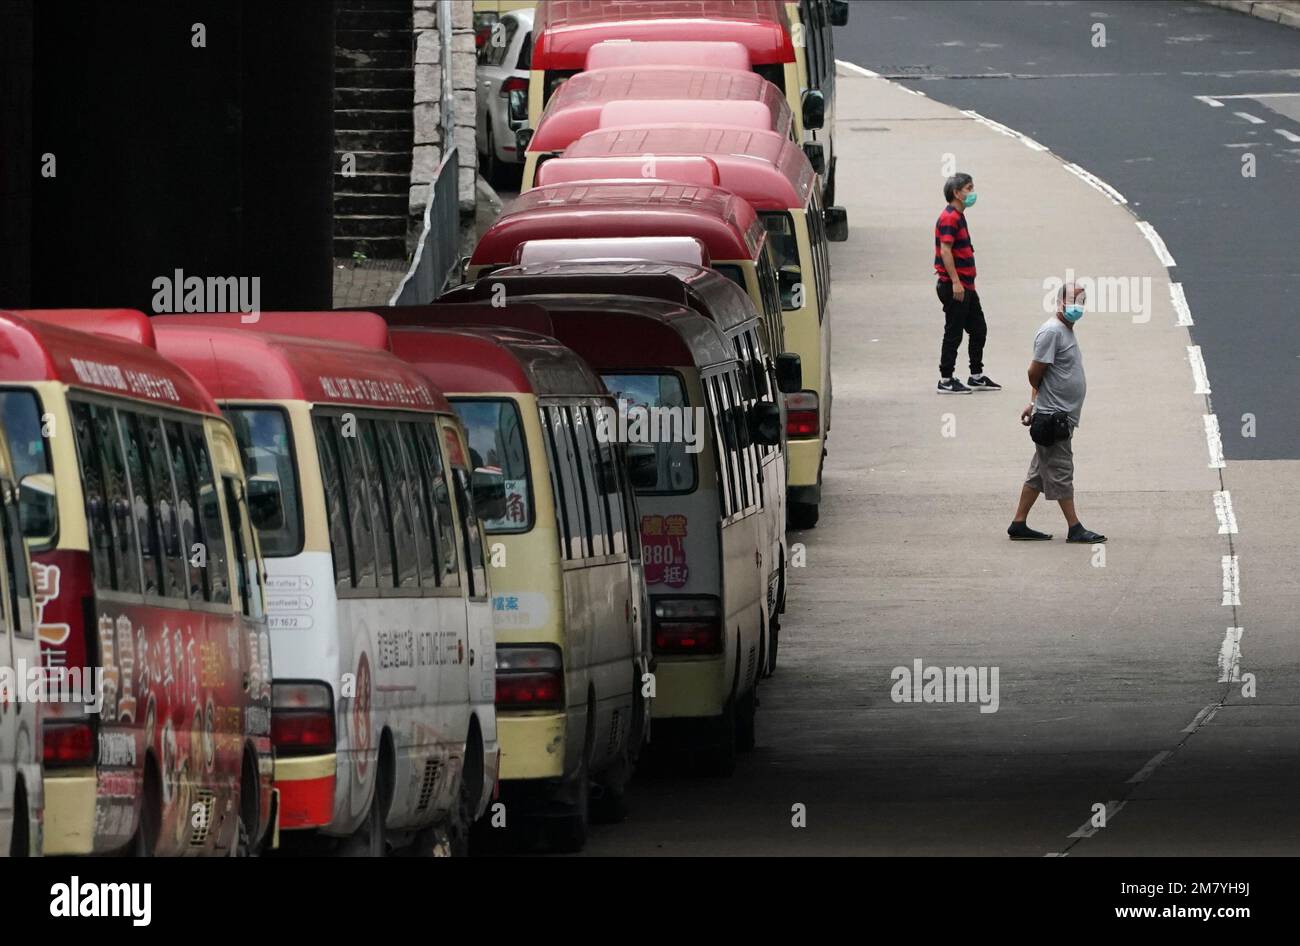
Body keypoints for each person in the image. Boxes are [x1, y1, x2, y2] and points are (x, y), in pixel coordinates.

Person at [1008, 282, 1106, 543]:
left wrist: (1034, 402)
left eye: (1082, 301)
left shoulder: (1064, 330)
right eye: (1073, 300)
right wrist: (1039, 405)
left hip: (1055, 413)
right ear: (1059, 301)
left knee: (1039, 472)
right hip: (1054, 418)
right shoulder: (1052, 331)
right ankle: (1075, 528)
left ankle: (1018, 523)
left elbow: (1046, 375)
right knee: (1061, 471)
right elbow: (1034, 372)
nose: (1078, 306)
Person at [934, 172, 999, 394]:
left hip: (966, 286)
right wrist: (955, 282)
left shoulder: (959, 215)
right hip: (956, 287)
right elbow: (945, 250)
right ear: (956, 193)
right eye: (968, 188)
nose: (972, 193)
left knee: (978, 329)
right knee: (954, 332)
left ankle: (976, 375)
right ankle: (946, 378)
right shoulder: (950, 218)